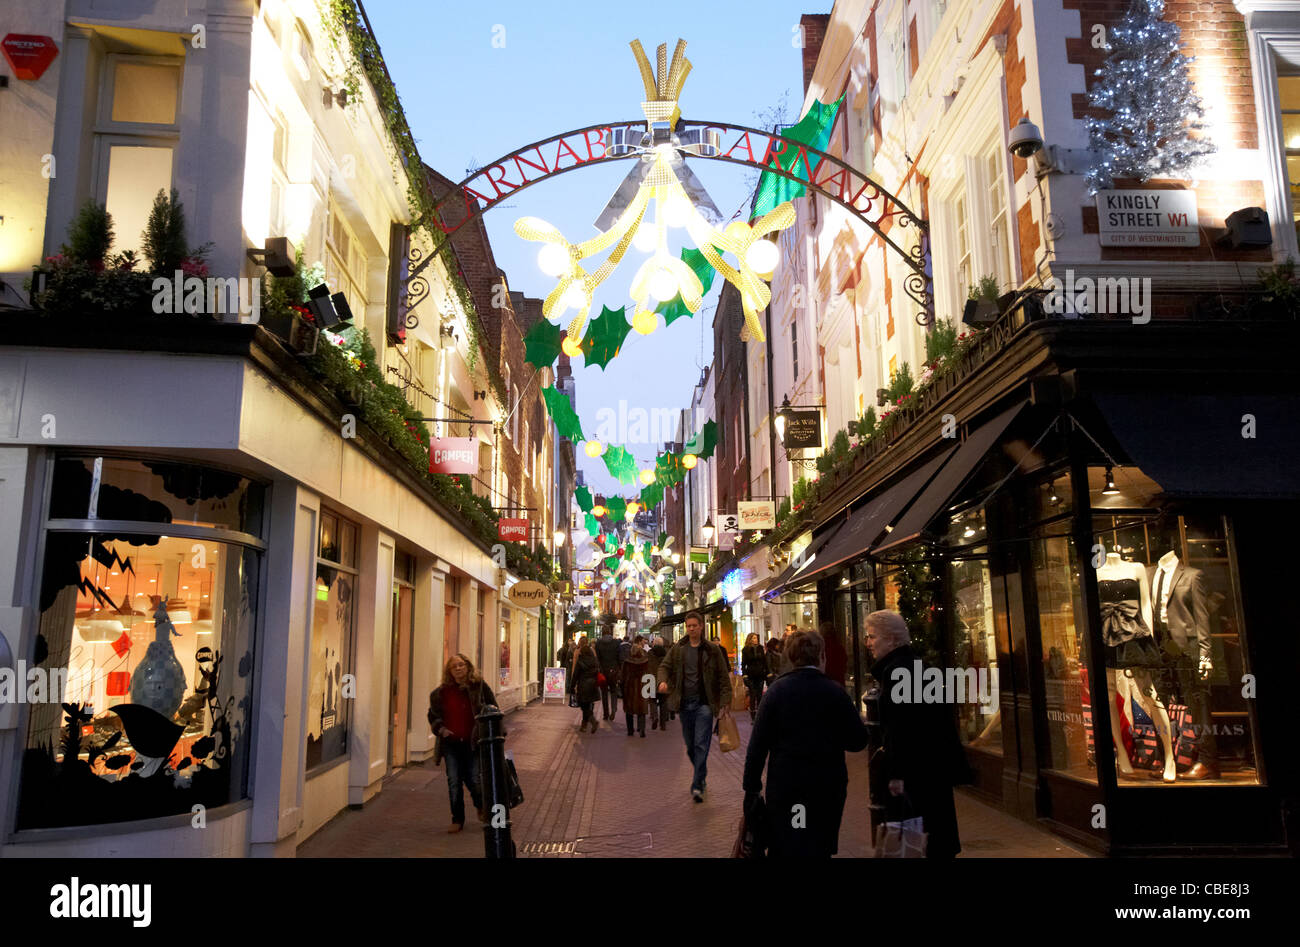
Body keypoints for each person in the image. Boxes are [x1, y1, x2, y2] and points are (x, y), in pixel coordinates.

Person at [743, 630, 870, 856]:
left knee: (789, 841)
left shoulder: (776, 693)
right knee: (818, 844)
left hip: (787, 785)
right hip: (826, 786)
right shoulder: (834, 692)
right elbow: (858, 740)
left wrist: (751, 788)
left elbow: (757, 746)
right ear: (821, 656)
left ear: (791, 658)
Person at [865, 609, 972, 858]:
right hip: (931, 772)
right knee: (935, 835)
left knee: (919, 840)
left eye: (872, 637)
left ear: (891, 639)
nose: (868, 643)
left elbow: (902, 730)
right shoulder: (917, 666)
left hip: (917, 773)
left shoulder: (897, 673)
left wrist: (895, 776)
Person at [657, 611, 732, 802]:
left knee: (701, 744)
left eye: (694, 625)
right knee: (691, 746)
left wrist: (725, 702)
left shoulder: (711, 650)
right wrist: (662, 681)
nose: (691, 629)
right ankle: (702, 773)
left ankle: (697, 784)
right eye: (688, 626)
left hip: (704, 703)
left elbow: (723, 677)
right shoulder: (679, 648)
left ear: (701, 626)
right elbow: (664, 666)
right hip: (684, 703)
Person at [427, 653, 496, 833]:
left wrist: (491, 730)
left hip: (473, 742)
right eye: (454, 666)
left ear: (467, 666)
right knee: (454, 781)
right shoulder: (440, 693)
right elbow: (433, 716)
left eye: (461, 665)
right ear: (449, 671)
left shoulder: (478, 687)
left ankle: (481, 806)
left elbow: (493, 708)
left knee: (474, 779)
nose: (458, 669)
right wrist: (441, 729)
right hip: (451, 743)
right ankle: (457, 819)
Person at [621, 640, 652, 737]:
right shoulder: (646, 661)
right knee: (641, 709)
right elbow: (649, 674)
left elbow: (623, 675)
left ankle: (630, 730)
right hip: (643, 686)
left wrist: (623, 687)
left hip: (630, 687)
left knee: (629, 710)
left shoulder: (627, 661)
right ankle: (642, 730)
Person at [570, 636, 601, 734]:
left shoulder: (580, 661)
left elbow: (575, 674)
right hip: (593, 685)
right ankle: (584, 725)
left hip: (583, 685)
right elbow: (597, 671)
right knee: (588, 705)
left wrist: (572, 686)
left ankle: (592, 721)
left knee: (584, 706)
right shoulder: (594, 660)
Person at [594, 625, 622, 720]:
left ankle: (605, 714)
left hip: (603, 671)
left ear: (602, 632)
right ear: (610, 631)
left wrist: (600, 669)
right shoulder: (616, 642)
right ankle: (613, 710)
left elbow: (598, 658)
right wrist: (618, 668)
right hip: (613, 670)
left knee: (604, 693)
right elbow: (619, 657)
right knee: (614, 691)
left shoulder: (599, 643)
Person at [740, 632, 768, 723]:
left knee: (760, 695)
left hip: (760, 674)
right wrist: (744, 675)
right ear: (750, 639)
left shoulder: (760, 648)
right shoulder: (745, 650)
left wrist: (767, 672)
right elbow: (743, 664)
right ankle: (753, 717)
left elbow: (764, 661)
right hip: (751, 674)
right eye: (753, 638)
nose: (755, 640)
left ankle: (759, 716)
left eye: (756, 638)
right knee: (752, 695)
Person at [647, 635, 668, 730]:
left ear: (653, 643)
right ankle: (663, 724)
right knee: (663, 701)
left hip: (651, 678)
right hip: (663, 679)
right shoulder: (666, 653)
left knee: (652, 700)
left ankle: (655, 717)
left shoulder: (649, 653)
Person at [819, 621, 848, 686]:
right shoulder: (839, 647)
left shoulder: (821, 649)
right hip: (839, 681)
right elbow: (844, 665)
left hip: (826, 683)